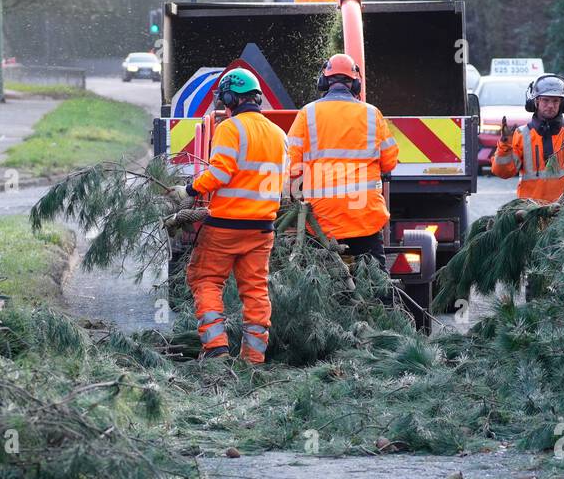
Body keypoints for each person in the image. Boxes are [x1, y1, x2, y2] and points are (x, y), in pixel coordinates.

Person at [169, 68, 288, 363]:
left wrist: (188, 191)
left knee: (205, 280)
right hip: (262, 228)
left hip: (224, 226)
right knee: (256, 291)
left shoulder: (230, 128)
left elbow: (220, 172)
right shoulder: (279, 134)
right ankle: (253, 360)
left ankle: (217, 349)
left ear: (230, 97)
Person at [286, 54, 399, 266]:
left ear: (324, 82)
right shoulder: (372, 114)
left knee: (318, 283)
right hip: (364, 217)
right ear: (356, 84)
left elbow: (291, 167)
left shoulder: (307, 114)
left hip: (320, 221)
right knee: (376, 284)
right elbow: (390, 161)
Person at [490, 74, 564, 203]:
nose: (550, 105)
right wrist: (505, 144)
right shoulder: (521, 135)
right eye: (545, 100)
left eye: (555, 101)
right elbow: (503, 173)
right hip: (530, 211)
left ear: (562, 104)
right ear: (535, 102)